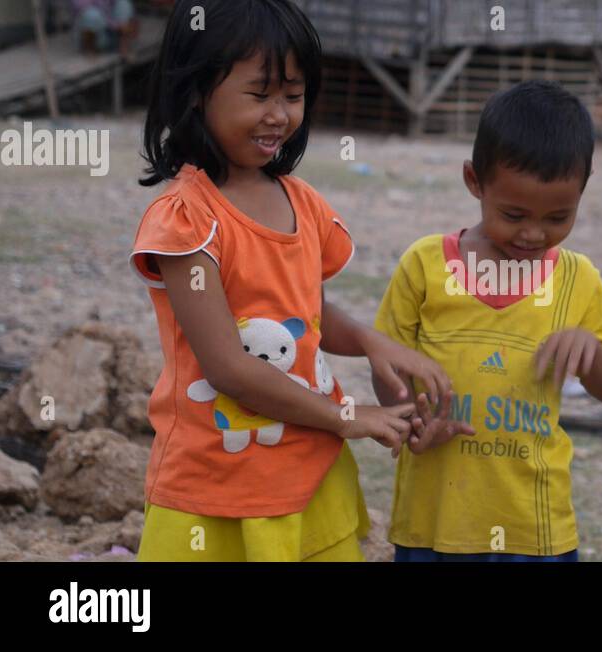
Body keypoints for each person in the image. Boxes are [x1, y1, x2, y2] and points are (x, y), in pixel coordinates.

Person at [129, 0, 453, 561]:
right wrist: (347, 416)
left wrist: (377, 344)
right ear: (198, 90)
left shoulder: (303, 203)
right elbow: (228, 367)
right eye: (260, 95)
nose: (279, 114)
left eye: (294, 95)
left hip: (308, 470)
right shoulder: (187, 220)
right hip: (216, 486)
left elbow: (311, 315)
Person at [372, 81, 602, 561]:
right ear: (475, 181)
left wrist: (590, 351)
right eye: (513, 214)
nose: (533, 233)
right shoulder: (425, 266)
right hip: (434, 521)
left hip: (532, 529)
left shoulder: (579, 280)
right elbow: (388, 371)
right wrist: (413, 420)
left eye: (558, 217)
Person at [73, 0, 139, 60]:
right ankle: (90, 50)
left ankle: (124, 46)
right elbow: (82, 7)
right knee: (91, 15)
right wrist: (114, 25)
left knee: (124, 3)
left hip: (111, 33)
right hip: (97, 35)